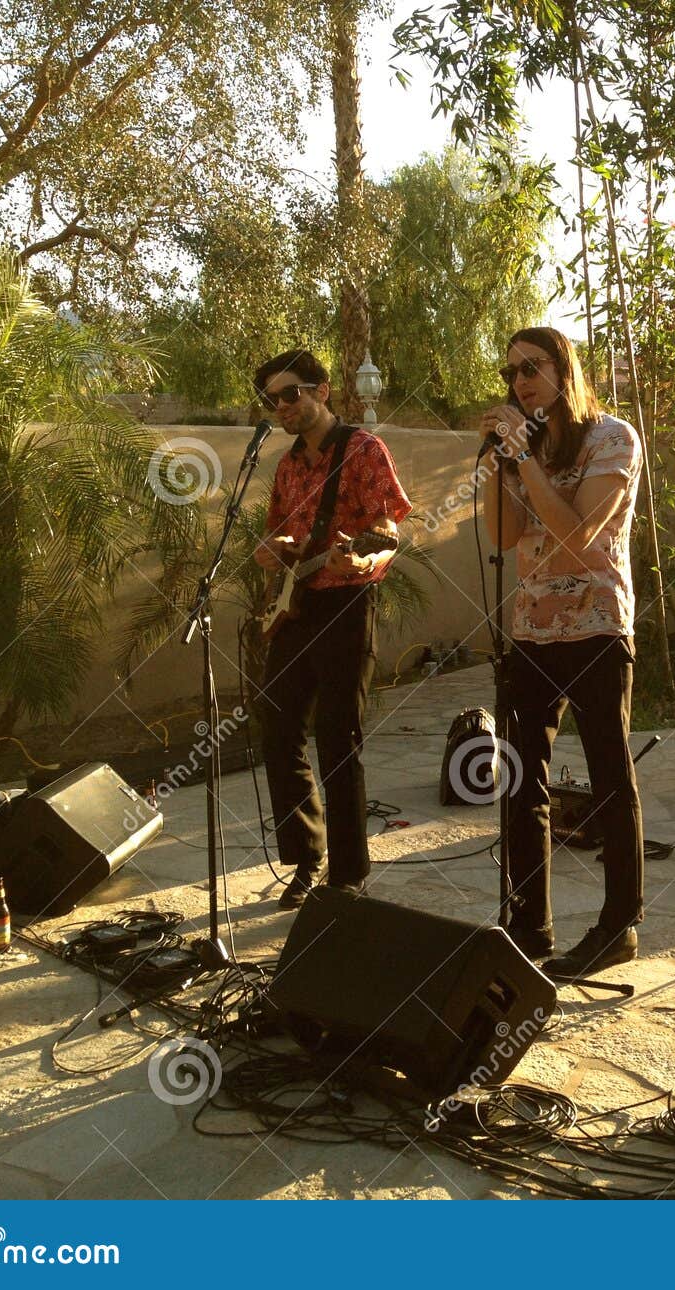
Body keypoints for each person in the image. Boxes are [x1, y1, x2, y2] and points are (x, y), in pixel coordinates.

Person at [479, 326, 645, 976]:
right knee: (523, 781)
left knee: (609, 776)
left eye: (533, 366)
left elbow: (578, 538)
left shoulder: (613, 438)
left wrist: (525, 463)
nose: (520, 380)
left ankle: (619, 925)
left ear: (564, 370)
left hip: (598, 628)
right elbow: (503, 534)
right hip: (533, 634)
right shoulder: (525, 448)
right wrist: (499, 462)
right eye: (511, 372)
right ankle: (529, 926)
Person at [251, 349, 411, 910]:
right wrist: (271, 552)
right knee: (279, 731)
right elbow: (279, 533)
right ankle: (303, 858)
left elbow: (388, 527)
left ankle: (348, 872)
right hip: (299, 608)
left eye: (291, 394)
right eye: (272, 401)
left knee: (338, 739)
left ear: (321, 390)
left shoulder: (363, 448)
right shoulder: (287, 464)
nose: (282, 407)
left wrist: (364, 562)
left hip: (346, 604)